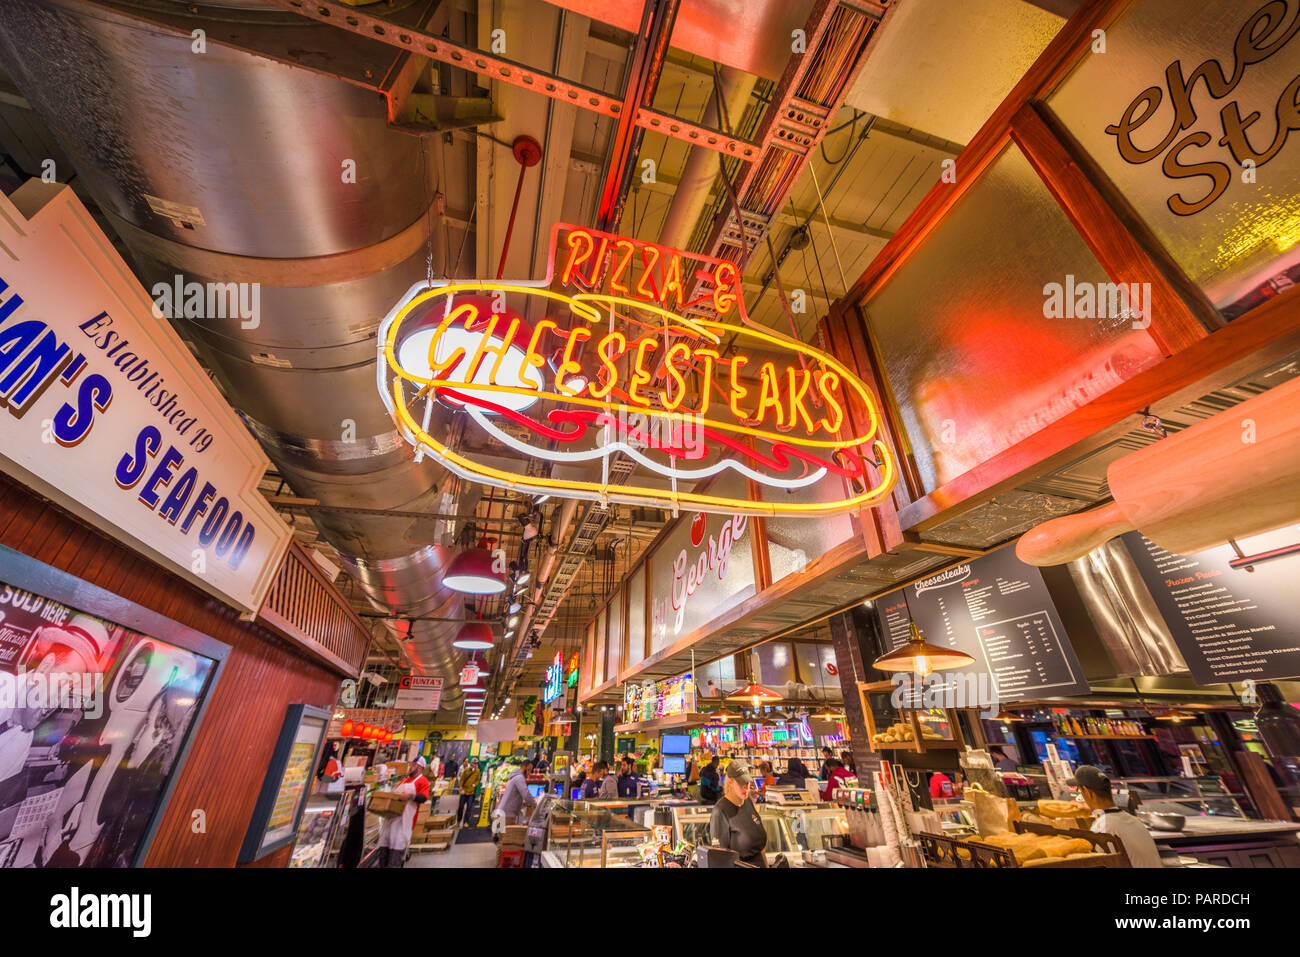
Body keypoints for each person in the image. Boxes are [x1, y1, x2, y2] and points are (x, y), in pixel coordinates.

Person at [1073, 765, 1162, 868]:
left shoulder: (1102, 827)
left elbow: (1098, 863)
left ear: (1087, 792)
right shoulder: (1134, 821)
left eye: (1079, 790)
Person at [710, 760, 767, 867]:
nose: (746, 787)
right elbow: (720, 858)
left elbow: (760, 849)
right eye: (741, 783)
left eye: (748, 782)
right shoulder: (720, 811)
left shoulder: (748, 802)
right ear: (730, 782)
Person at [376, 756, 430, 867]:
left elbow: (424, 798)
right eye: (410, 765)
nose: (410, 767)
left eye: (413, 765)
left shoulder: (422, 781)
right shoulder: (405, 780)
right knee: (384, 854)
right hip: (391, 821)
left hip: (404, 823)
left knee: (396, 855)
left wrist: (410, 795)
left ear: (419, 768)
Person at [498, 759, 536, 826]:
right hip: (507, 815)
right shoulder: (519, 777)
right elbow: (526, 794)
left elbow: (515, 795)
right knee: (508, 836)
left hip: (504, 813)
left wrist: (523, 803)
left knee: (502, 835)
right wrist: (536, 805)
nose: (529, 773)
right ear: (523, 767)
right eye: (528, 770)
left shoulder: (515, 777)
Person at [457, 759, 481, 826]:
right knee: (461, 806)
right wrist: (460, 786)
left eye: (476, 763)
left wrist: (474, 784)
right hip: (464, 791)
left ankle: (466, 821)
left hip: (471, 792)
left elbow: (478, 779)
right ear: (471, 763)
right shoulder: (466, 770)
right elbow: (462, 779)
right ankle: (459, 819)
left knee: (469, 807)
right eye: (474, 763)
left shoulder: (477, 771)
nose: (475, 764)